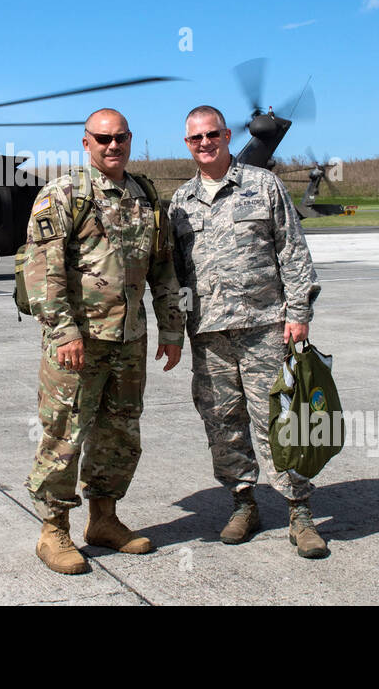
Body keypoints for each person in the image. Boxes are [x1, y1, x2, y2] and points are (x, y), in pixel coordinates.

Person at [23, 108, 185, 575]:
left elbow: (163, 269)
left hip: (130, 341)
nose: (113, 146)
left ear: (130, 140)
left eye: (121, 138)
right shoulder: (65, 194)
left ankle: (104, 519)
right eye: (103, 139)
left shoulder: (147, 196)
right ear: (86, 142)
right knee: (64, 433)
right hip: (79, 341)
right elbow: (42, 270)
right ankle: (54, 530)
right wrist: (63, 331)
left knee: (119, 432)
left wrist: (171, 330)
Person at [168, 105, 328, 558]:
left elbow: (293, 252)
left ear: (224, 135)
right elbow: (176, 274)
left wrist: (298, 313)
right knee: (222, 422)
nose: (205, 143)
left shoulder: (264, 186)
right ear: (187, 144)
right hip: (209, 335)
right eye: (195, 138)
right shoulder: (180, 202)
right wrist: (176, 329)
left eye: (212, 135)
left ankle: (300, 512)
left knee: (281, 420)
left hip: (265, 328)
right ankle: (243, 504)